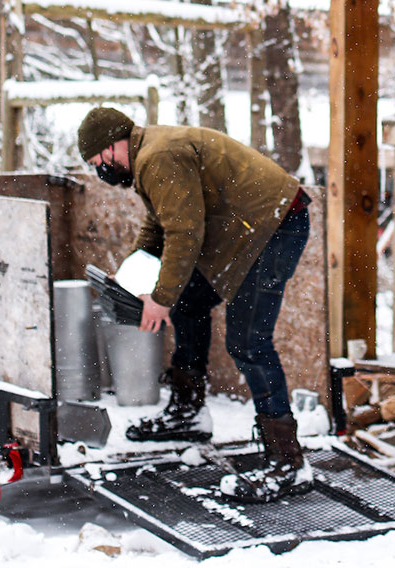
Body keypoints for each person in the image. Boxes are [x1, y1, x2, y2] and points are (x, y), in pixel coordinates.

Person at [78, 107, 312, 502]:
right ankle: (189, 412)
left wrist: (160, 299)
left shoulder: (157, 155)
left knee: (248, 342)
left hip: (273, 228)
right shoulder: (148, 156)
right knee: (189, 302)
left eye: (99, 160)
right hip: (246, 230)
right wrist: (132, 274)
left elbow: (185, 233)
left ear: (115, 142)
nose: (101, 170)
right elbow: (161, 225)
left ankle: (288, 462)